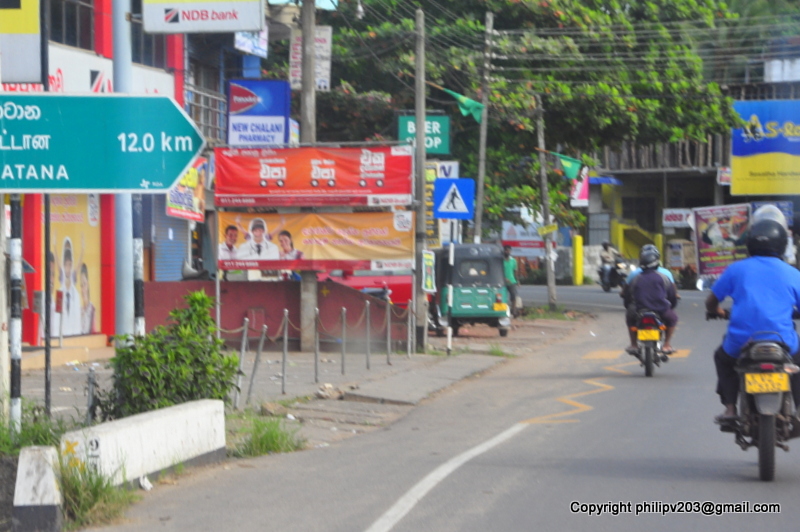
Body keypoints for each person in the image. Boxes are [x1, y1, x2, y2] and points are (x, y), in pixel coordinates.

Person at [706, 218, 800, 422]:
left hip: (742, 342)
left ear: (750, 243)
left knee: (722, 359)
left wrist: (717, 311)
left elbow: (711, 301)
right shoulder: (794, 274)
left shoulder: (736, 269)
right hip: (784, 342)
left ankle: (730, 409)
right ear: (783, 244)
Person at [622, 245, 678, 355]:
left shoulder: (636, 278)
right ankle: (666, 345)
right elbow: (672, 296)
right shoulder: (664, 277)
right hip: (661, 309)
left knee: (629, 319)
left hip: (638, 309)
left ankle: (633, 344)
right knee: (673, 319)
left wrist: (628, 307)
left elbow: (627, 296)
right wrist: (670, 307)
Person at [503, 245, 520, 316]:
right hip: (502, 282)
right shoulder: (501, 261)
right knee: (503, 297)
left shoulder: (513, 261)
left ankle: (514, 311)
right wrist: (504, 278)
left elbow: (515, 271)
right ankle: (504, 311)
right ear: (504, 251)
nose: (507, 252)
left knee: (513, 297)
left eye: (509, 250)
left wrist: (518, 281)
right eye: (506, 250)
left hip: (512, 281)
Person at [79, 263, 96, 334]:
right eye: (81, 285)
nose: (83, 289)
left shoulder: (91, 309)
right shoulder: (79, 310)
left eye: (84, 284)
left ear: (88, 284)